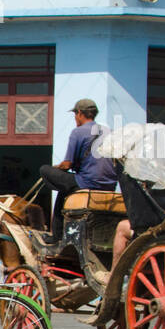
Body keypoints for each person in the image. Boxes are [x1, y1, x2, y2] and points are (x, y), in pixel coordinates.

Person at [40, 98, 118, 240]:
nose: (75, 118)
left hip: (86, 182)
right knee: (66, 187)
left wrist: (57, 168)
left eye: (75, 114)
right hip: (109, 185)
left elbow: (67, 164)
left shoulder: (78, 132)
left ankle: (56, 236)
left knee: (45, 170)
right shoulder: (109, 132)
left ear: (80, 113)